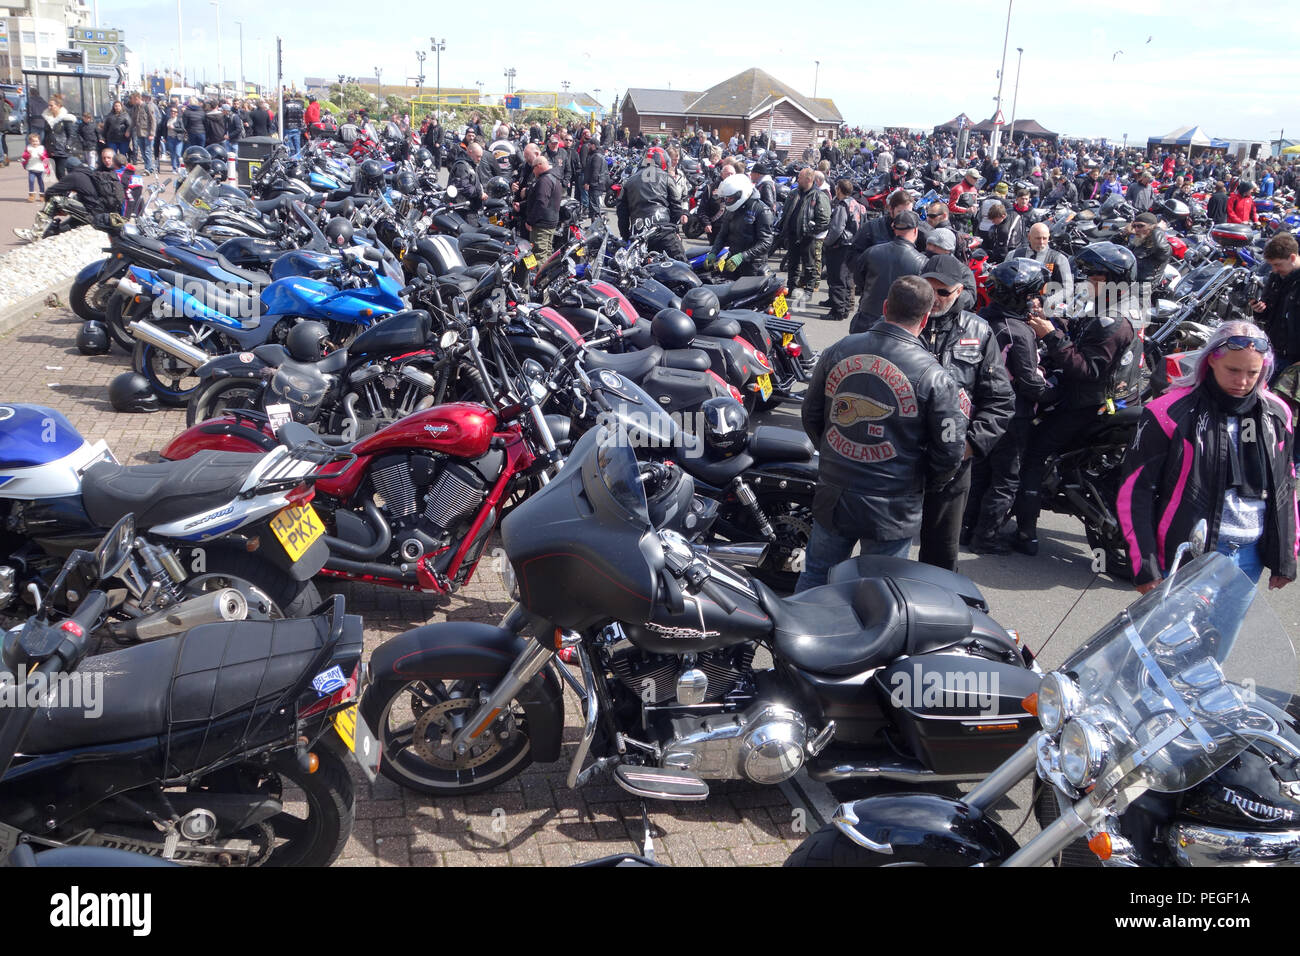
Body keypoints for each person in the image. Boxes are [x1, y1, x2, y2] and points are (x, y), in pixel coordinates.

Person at [796, 276, 968, 591]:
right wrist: (920, 483)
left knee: (816, 577)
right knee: (879, 593)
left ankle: (800, 624)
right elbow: (950, 452)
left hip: (836, 494)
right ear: (925, 318)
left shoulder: (838, 350)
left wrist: (835, 456)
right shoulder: (935, 376)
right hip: (892, 506)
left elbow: (811, 415)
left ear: (886, 307)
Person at [1117, 321, 1296, 593]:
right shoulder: (1167, 411)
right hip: (1186, 554)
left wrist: (1286, 556)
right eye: (1233, 370)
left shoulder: (1277, 413)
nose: (1242, 382)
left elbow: (1286, 483)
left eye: (1253, 373)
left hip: (1250, 557)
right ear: (1211, 360)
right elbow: (1134, 490)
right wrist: (1144, 566)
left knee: (1226, 625)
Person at [1011, 242, 1145, 555]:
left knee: (1034, 451)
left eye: (1093, 275)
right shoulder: (1117, 306)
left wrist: (1050, 336)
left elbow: (1086, 369)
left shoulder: (1112, 321)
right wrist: (1053, 322)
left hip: (1090, 404)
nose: (1087, 279)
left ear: (1112, 279)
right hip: (1116, 399)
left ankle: (1026, 535)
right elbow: (1082, 331)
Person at [915, 254, 1014, 571]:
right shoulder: (899, 320)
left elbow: (1000, 399)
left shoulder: (980, 331)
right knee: (885, 547)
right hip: (900, 455)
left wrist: (971, 445)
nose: (934, 299)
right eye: (928, 290)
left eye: (943, 292)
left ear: (959, 291)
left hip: (953, 460)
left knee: (941, 555)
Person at [965, 258, 1051, 552]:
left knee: (979, 472)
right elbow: (1030, 382)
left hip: (980, 407)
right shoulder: (1018, 331)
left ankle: (967, 528)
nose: (1037, 301)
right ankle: (986, 536)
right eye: (1034, 295)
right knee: (1005, 479)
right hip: (1011, 415)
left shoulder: (980, 318)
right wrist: (1054, 392)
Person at [851, 210, 928, 333]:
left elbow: (858, 278)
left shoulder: (872, 252)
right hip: (900, 324)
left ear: (894, 228)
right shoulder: (923, 262)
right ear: (915, 230)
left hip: (867, 318)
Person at [618, 146, 685, 259]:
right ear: (663, 161)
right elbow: (677, 207)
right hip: (664, 233)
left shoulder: (629, 181)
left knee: (637, 268)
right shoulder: (667, 178)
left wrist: (626, 237)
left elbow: (621, 213)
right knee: (683, 266)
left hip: (639, 236)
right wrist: (672, 228)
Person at [781, 168, 832, 313]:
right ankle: (791, 287)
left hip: (808, 237)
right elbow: (786, 212)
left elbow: (825, 220)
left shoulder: (819, 196)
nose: (797, 180)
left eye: (800, 177)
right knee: (793, 263)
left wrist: (811, 232)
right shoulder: (794, 193)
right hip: (792, 235)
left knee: (810, 265)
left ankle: (809, 290)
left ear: (808, 180)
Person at [706, 173, 774, 277]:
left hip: (753, 265)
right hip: (732, 260)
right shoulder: (731, 210)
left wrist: (743, 256)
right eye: (726, 198)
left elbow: (766, 242)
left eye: (730, 198)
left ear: (741, 194)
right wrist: (714, 252)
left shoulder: (762, 211)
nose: (727, 201)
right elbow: (722, 234)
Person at [1253, 233, 1300, 369]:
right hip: (1273, 352)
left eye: (1277, 264)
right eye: (1271, 265)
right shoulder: (1275, 278)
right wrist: (1259, 310)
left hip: (1294, 359)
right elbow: (1266, 315)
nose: (1274, 269)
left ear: (1292, 258)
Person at [1010, 221, 1073, 310]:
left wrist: (1042, 300)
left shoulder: (1059, 259)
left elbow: (1068, 289)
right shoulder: (1013, 255)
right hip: (1016, 306)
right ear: (1029, 237)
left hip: (1044, 308)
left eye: (1045, 238)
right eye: (1038, 238)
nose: (1041, 242)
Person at [823, 178, 861, 321]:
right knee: (846, 278)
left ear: (839, 189)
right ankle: (844, 308)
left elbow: (837, 228)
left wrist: (827, 242)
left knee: (837, 278)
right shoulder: (855, 204)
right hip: (852, 244)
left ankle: (837, 311)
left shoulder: (842, 206)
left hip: (840, 246)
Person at [523, 153, 562, 259]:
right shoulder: (554, 178)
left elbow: (541, 203)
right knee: (547, 253)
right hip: (550, 222)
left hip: (541, 225)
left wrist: (530, 221)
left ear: (539, 165)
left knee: (539, 255)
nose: (533, 171)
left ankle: (540, 271)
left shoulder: (544, 180)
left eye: (533, 168)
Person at [1126, 211, 1173, 285]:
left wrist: (1157, 228)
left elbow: (1161, 247)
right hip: (1128, 281)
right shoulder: (1139, 243)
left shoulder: (1162, 247)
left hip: (1143, 287)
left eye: (1140, 226)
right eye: (1134, 226)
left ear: (1152, 227)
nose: (1136, 229)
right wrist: (1123, 234)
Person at [41, 94, 77, 180]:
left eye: (51, 105)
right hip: (50, 149)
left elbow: (71, 134)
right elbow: (46, 134)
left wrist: (67, 146)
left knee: (60, 173)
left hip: (61, 149)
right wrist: (43, 146)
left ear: (59, 106)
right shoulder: (48, 119)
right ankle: (65, 186)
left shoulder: (66, 119)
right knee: (56, 173)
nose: (49, 107)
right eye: (49, 105)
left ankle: (66, 187)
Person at [581, 137, 608, 220]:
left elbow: (595, 173)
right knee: (594, 208)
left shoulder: (596, 157)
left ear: (593, 145)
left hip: (596, 186)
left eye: (589, 145)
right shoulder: (595, 155)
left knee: (595, 208)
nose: (588, 147)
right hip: (596, 185)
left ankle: (596, 225)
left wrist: (588, 183)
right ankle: (594, 224)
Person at [21, 133, 51, 202]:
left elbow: (46, 158)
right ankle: (31, 195)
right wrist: (28, 154)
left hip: (40, 169)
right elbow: (24, 157)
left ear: (39, 141)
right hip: (31, 168)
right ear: (30, 141)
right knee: (31, 181)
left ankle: (42, 195)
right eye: (33, 141)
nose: (35, 143)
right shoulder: (28, 148)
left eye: (36, 141)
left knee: (41, 182)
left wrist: (41, 156)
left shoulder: (42, 148)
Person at [164, 105, 186, 171]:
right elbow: (164, 129)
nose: (173, 112)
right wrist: (164, 137)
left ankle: (179, 166)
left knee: (178, 153)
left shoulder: (179, 120)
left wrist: (174, 128)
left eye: (175, 112)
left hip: (178, 138)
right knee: (172, 154)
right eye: (172, 111)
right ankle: (174, 168)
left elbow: (183, 130)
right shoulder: (168, 119)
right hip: (170, 138)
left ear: (177, 113)